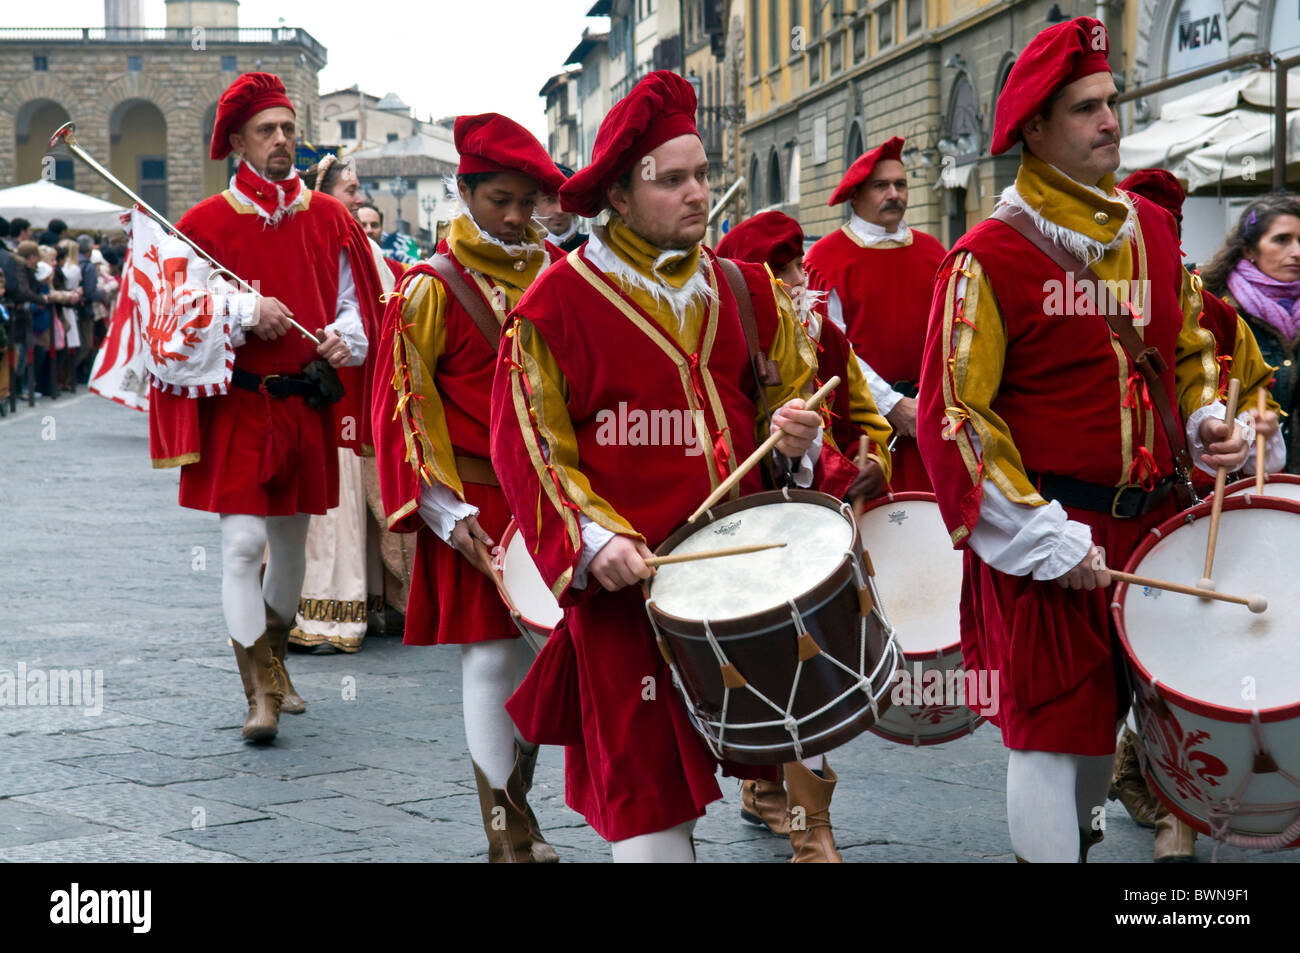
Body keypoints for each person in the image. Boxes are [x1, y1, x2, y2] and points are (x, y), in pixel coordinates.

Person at [916, 17, 1256, 863]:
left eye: (1113, 102)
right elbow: (955, 414)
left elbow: (1190, 351)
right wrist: (1035, 532)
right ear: (1035, 130)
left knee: (1127, 737)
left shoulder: (1149, 229)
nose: (1111, 121)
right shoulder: (984, 258)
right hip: (1050, 533)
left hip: (1154, 525)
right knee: (1051, 739)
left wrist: (1212, 419)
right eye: (1086, 108)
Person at [489, 71, 824, 863]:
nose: (698, 193)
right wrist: (593, 538)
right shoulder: (554, 306)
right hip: (627, 597)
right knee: (649, 808)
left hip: (746, 588)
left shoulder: (749, 291)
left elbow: (807, 399)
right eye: (671, 179)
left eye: (703, 173)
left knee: (779, 758)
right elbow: (529, 445)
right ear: (617, 195)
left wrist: (800, 442)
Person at [148, 72, 382, 742]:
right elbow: (173, 316)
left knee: (290, 550)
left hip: (304, 404)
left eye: (287, 129)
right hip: (240, 407)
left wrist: (347, 337)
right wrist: (245, 308)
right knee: (242, 544)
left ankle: (274, 656)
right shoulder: (201, 226)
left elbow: (355, 304)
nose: (282, 141)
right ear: (239, 143)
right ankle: (259, 693)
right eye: (267, 131)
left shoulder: (332, 218)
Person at [371, 112, 568, 862]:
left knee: (539, 657)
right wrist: (447, 512)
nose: (517, 217)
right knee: (488, 657)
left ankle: (523, 811)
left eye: (528, 201)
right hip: (475, 505)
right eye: (500, 201)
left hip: (551, 500)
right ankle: (504, 831)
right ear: (465, 191)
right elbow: (403, 405)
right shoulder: (427, 288)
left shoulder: (561, 277)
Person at [1105, 169, 1285, 862]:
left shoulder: (1214, 315)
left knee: (1197, 650)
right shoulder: (1089, 303)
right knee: (1153, 654)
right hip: (1131, 508)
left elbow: (1257, 400)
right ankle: (1168, 805)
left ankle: (1167, 790)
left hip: (1205, 505)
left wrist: (1252, 429)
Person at [715, 208, 893, 859]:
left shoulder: (826, 335)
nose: (799, 278)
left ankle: (793, 813)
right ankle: (806, 828)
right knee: (779, 673)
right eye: (783, 267)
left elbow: (866, 420)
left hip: (819, 526)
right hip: (753, 531)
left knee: (806, 669)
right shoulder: (727, 334)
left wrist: (873, 459)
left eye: (799, 263)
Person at [804, 135, 946, 492]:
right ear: (856, 194)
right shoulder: (826, 260)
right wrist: (893, 404)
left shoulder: (933, 252)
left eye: (900, 184)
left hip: (933, 422)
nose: (894, 194)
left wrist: (931, 404)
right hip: (867, 435)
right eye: (881, 186)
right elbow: (832, 351)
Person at [1200, 194, 1300, 474]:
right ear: (1249, 250)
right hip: (1239, 487)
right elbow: (1199, 396)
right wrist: (1245, 421)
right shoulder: (1217, 312)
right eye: (1282, 239)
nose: (1297, 252)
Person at [536, 164, 587, 252]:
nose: (560, 210)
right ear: (534, 203)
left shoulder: (592, 249)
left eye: (566, 200)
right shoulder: (521, 250)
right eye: (550, 200)